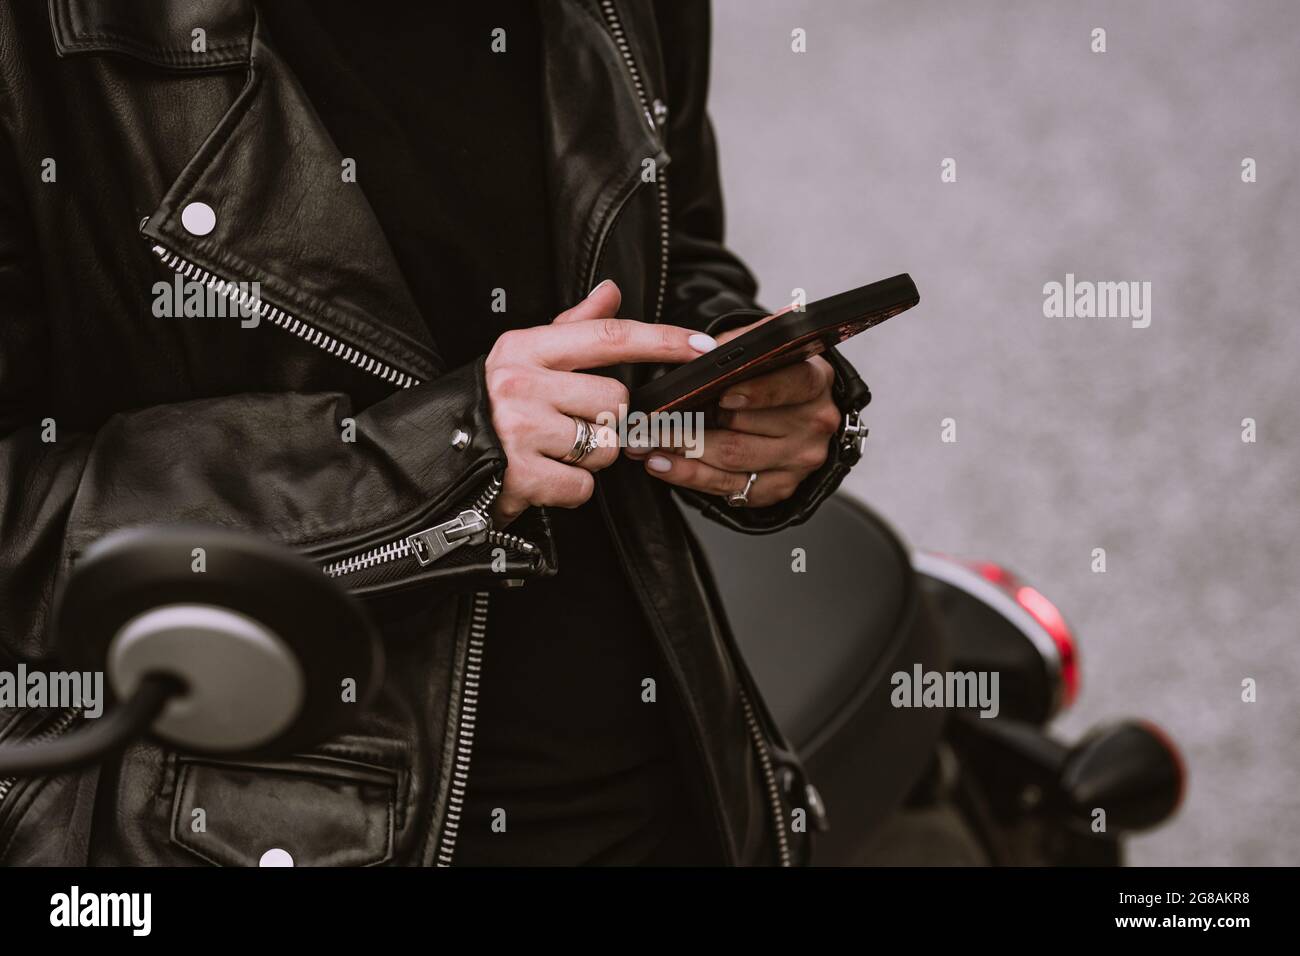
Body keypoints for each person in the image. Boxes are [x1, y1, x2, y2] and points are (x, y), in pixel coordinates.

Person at [0, 0, 868, 866]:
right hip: (259, 826)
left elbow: (677, 243)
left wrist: (736, 381)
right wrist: (440, 457)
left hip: (674, 779)